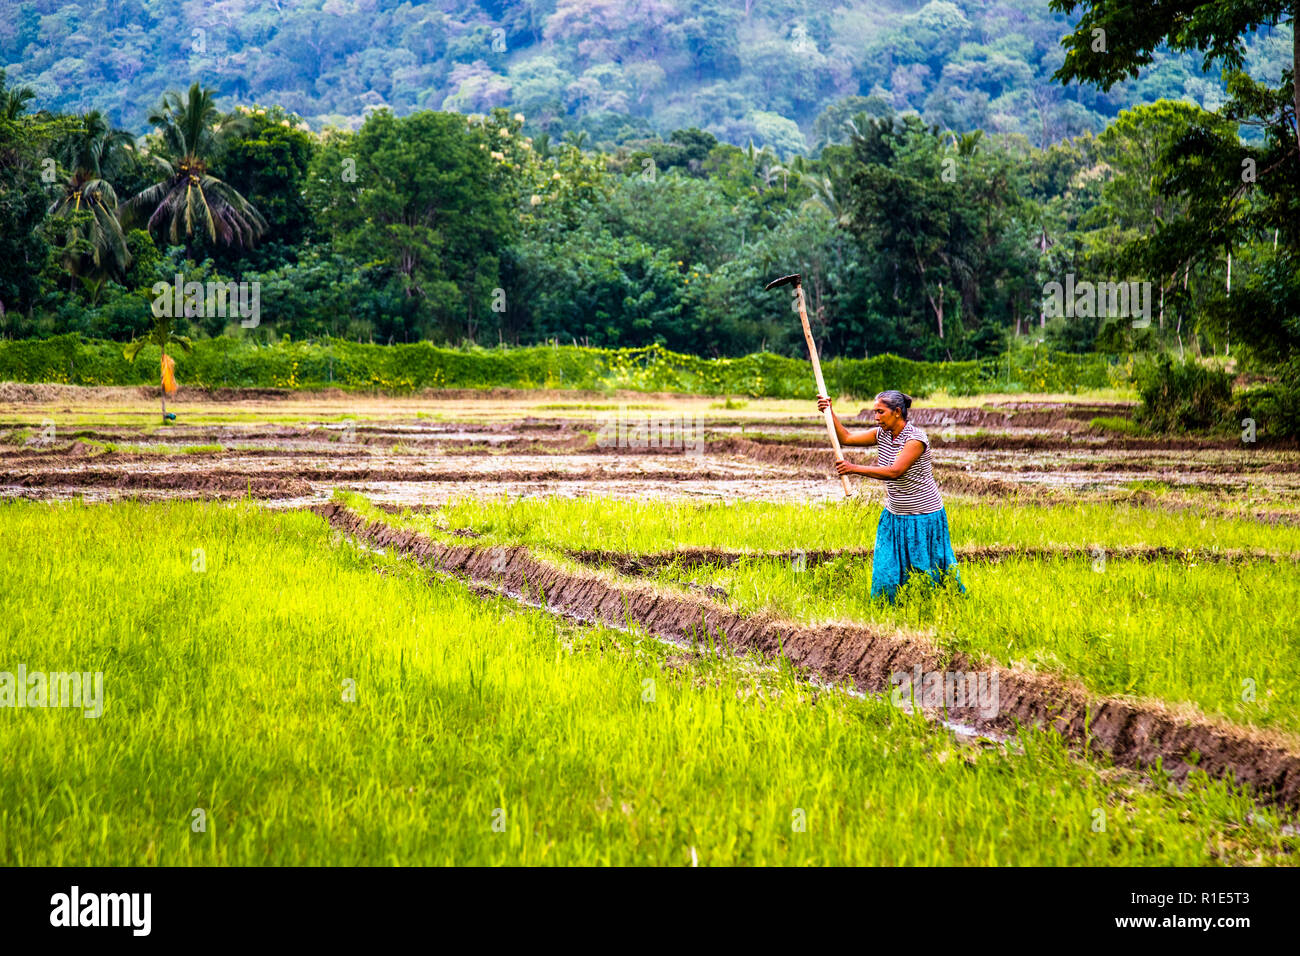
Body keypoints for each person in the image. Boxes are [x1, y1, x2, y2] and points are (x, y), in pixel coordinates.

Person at [817, 390, 965, 602]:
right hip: (894, 514)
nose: (876, 417)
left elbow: (895, 471)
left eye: (880, 412)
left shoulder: (915, 440)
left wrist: (853, 468)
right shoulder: (882, 434)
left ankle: (933, 605)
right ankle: (888, 606)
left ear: (897, 412)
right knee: (887, 566)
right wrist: (829, 410)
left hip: (922, 516)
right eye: (875, 412)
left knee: (926, 570)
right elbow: (846, 437)